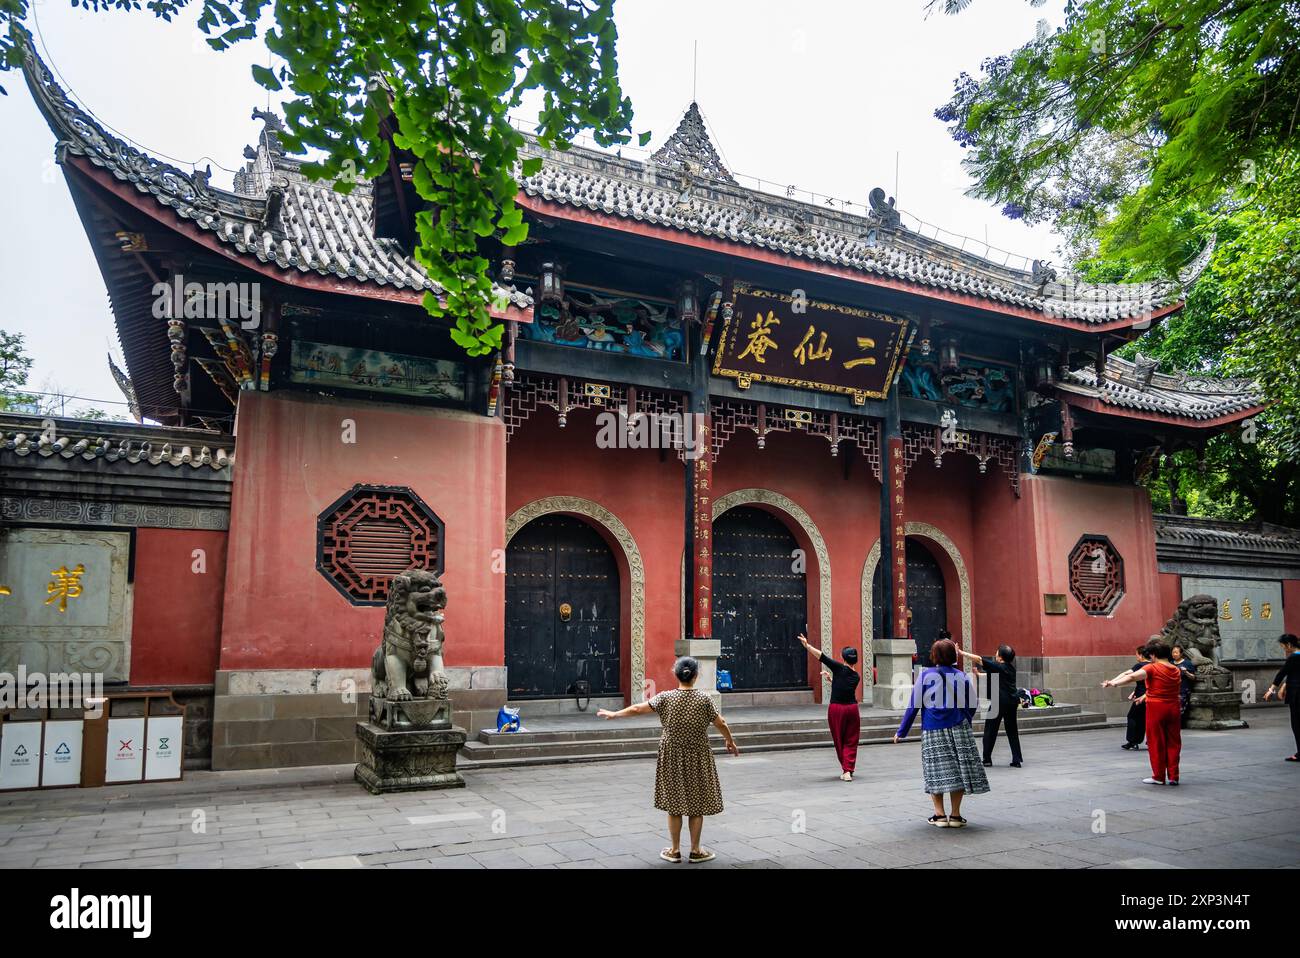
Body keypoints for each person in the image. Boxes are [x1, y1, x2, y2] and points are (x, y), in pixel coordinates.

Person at [598, 656, 739, 863]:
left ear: (676, 674)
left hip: (671, 753)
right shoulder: (704, 699)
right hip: (698, 753)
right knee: (696, 803)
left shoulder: (666, 698)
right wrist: (730, 741)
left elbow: (638, 708)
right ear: (696, 676)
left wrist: (614, 714)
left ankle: (674, 850)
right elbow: (721, 723)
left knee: (674, 803)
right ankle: (696, 850)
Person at [892, 638, 989, 827]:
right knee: (958, 770)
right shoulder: (961, 676)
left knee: (935, 770)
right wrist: (964, 718)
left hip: (933, 728)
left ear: (934, 656)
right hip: (959, 728)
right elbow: (973, 704)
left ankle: (939, 815)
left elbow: (914, 706)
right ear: (953, 656)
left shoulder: (926, 676)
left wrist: (901, 731)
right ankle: (955, 815)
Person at [1103, 638, 1183, 785]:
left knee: (1156, 741)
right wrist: (1144, 697)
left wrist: (1113, 683)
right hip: (1173, 707)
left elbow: (1132, 676)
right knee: (1173, 741)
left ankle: (1159, 776)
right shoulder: (1176, 669)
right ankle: (1173, 776)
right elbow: (1163, 688)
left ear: (1153, 655)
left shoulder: (1152, 668)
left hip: (1156, 708)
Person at [798, 632, 861, 781]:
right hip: (852, 709)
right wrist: (832, 679)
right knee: (851, 739)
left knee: (839, 739)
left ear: (843, 658)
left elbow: (822, 656)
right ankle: (848, 768)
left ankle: (846, 770)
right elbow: (845, 687)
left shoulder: (839, 668)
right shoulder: (856, 676)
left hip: (837, 709)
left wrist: (807, 646)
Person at [957, 641, 1022, 768]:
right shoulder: (1009, 668)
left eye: (997, 652)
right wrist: (979, 675)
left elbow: (979, 659)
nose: (995, 653)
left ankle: (987, 759)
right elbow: (993, 675)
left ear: (1001, 657)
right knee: (1012, 730)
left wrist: (961, 653)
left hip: (998, 702)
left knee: (990, 731)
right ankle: (1017, 759)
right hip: (1012, 702)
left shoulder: (999, 666)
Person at [1263, 633, 1300, 762]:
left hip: (1296, 694)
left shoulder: (1293, 658)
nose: (1284, 649)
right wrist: (1284, 687)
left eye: (1284, 647)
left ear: (1289, 645)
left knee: (1297, 724)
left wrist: (1270, 690)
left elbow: (1282, 674)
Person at [1121, 645, 1150, 751]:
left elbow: (1128, 675)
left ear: (1141, 655)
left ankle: (1133, 741)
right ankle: (1149, 741)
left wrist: (1113, 682)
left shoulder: (1140, 666)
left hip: (1141, 696)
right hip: (1150, 695)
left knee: (1132, 717)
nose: (1136, 656)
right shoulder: (1153, 665)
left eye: (1137, 654)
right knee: (1146, 718)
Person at [1170, 643, 1196, 726]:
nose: (1174, 654)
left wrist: (1186, 672)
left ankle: (1179, 725)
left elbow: (1193, 677)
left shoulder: (1187, 663)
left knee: (1180, 708)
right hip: (1171, 690)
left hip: (1183, 689)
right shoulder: (1170, 664)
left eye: (1176, 652)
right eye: (1173, 652)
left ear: (1181, 654)